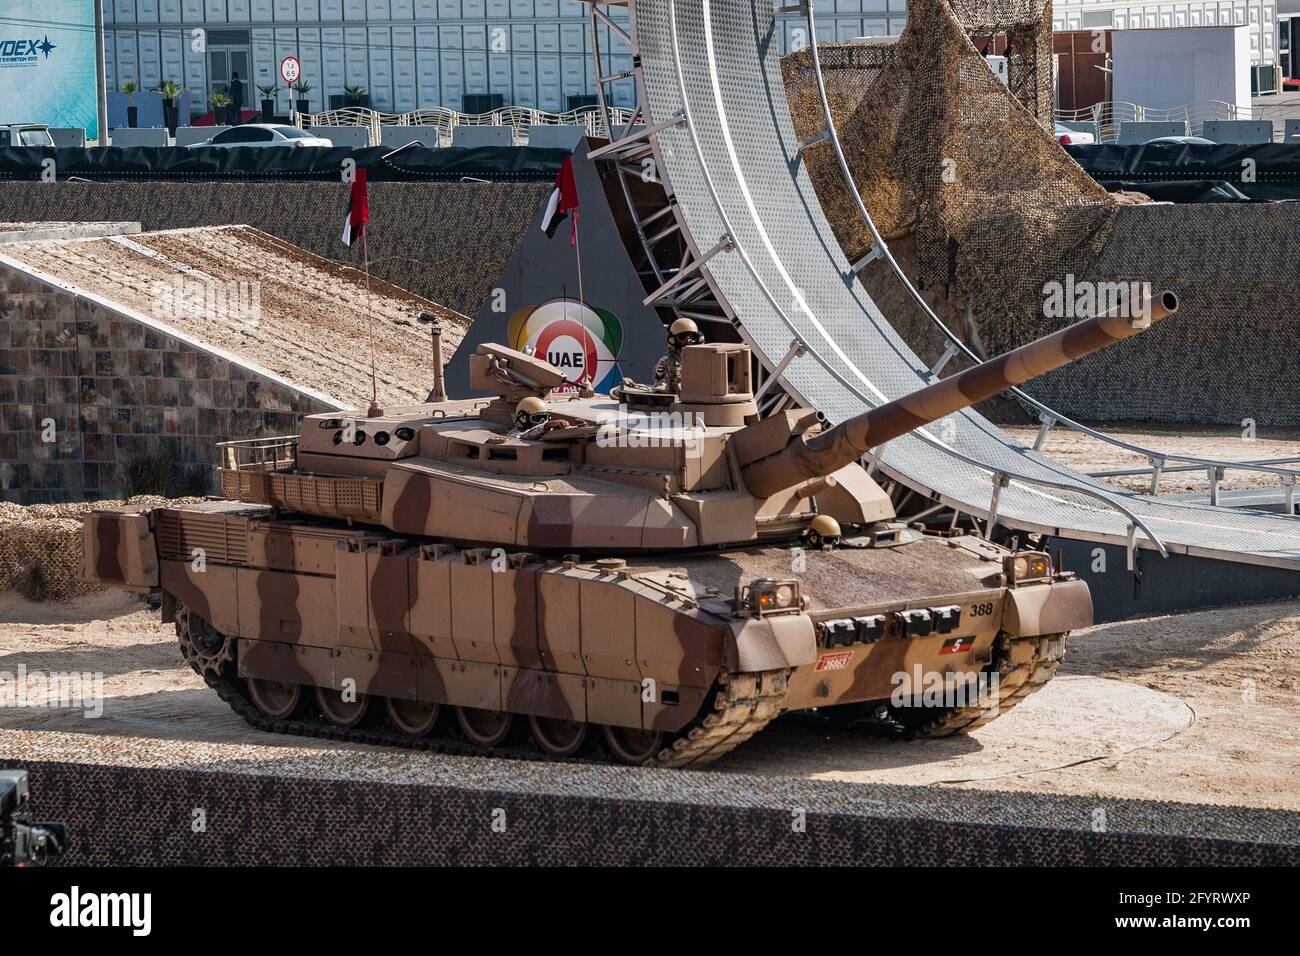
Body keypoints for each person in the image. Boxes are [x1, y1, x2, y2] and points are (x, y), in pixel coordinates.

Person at [652, 317, 704, 393]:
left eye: (692, 336)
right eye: (682, 337)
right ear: (673, 340)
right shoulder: (666, 361)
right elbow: (660, 384)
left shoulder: (703, 360)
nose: (688, 340)